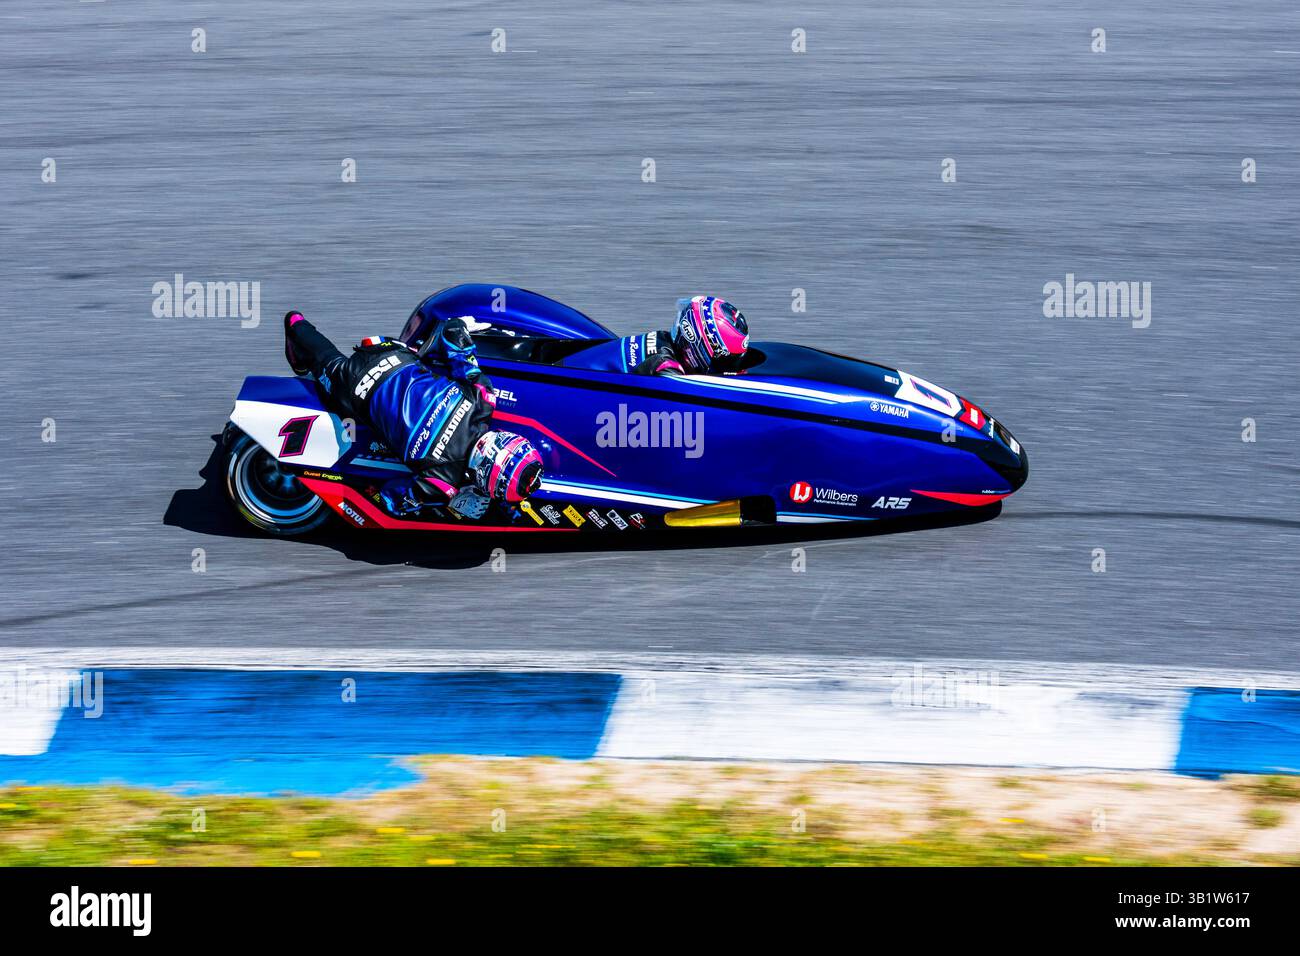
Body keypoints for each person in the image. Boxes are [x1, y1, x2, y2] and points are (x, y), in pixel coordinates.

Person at [283, 311, 543, 519]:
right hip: (358, 384)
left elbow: (453, 333)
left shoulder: (483, 399)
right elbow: (388, 500)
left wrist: (462, 329)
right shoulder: (443, 482)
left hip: (394, 353)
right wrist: (453, 501)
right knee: (328, 364)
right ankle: (295, 326)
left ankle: (297, 322)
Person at [560, 295, 750, 375]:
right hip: (567, 389)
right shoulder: (665, 367)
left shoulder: (664, 340)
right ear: (695, 344)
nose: (730, 368)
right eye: (725, 361)